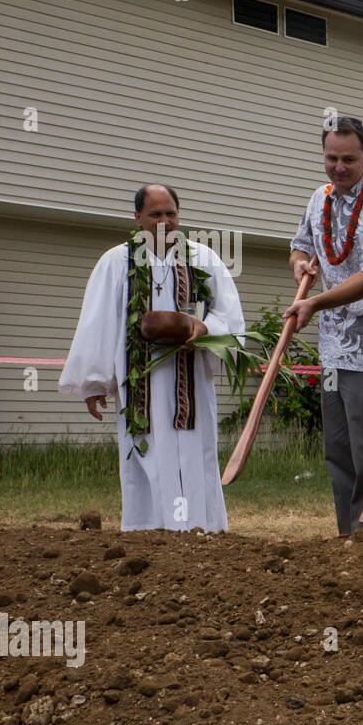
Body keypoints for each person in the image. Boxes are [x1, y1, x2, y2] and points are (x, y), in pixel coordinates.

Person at [59, 183, 245, 532]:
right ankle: (149, 532)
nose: (165, 221)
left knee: (195, 455)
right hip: (139, 385)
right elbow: (98, 322)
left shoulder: (203, 259)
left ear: (179, 215)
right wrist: (94, 382)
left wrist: (204, 329)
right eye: (155, 214)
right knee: (147, 453)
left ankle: (201, 528)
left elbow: (230, 317)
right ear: (138, 217)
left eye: (171, 213)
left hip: (191, 385)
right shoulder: (116, 262)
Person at [286, 116, 363, 540]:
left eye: (348, 159)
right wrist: (301, 265)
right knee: (338, 448)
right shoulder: (317, 199)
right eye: (331, 158)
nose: (339, 167)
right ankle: (348, 534)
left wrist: (316, 301)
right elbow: (300, 245)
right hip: (332, 347)